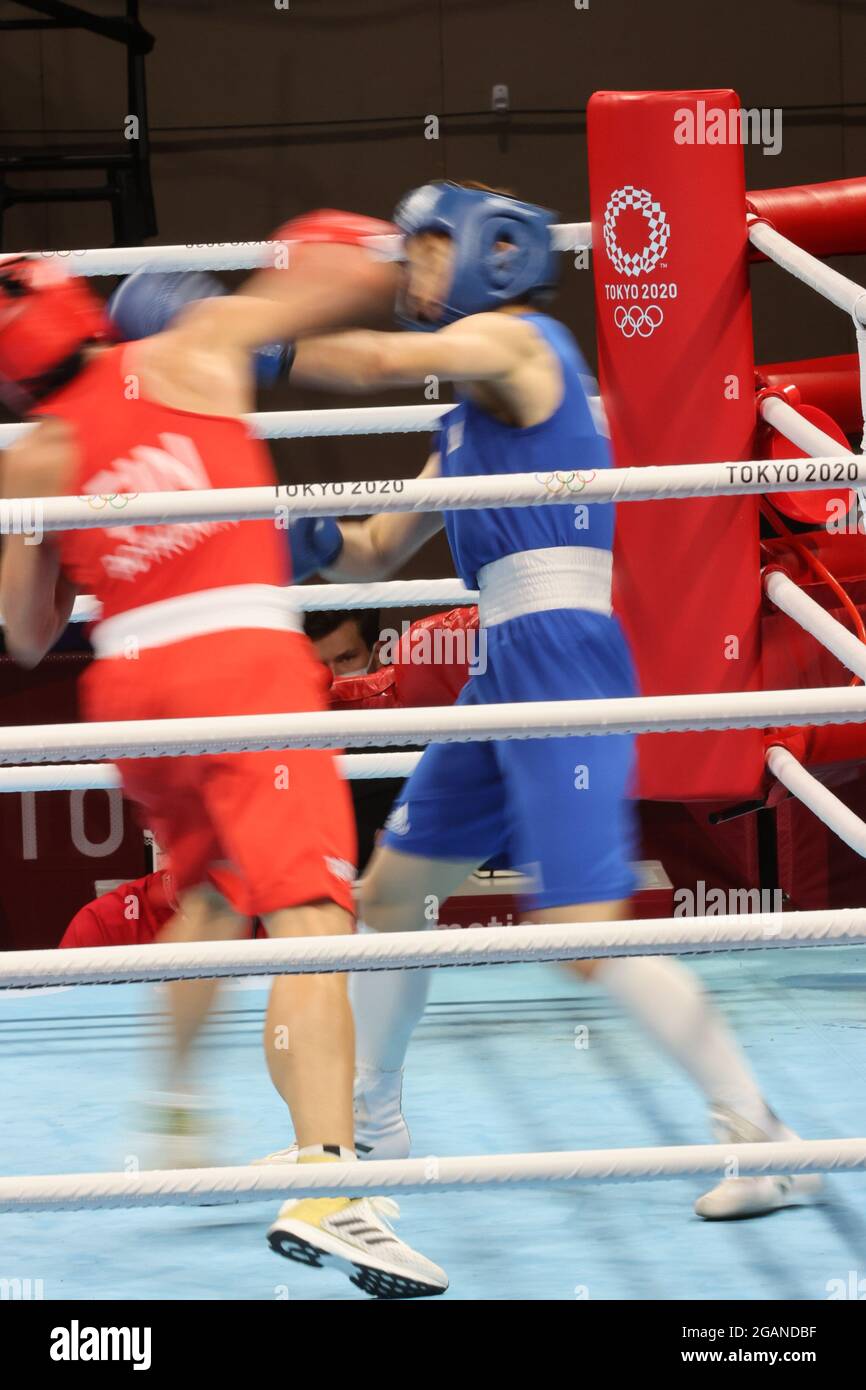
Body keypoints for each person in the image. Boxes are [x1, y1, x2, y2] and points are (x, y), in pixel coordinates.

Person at [254, 181, 821, 1220]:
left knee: (584, 930)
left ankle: (765, 1140)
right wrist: (316, 539)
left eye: (426, 247)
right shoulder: (463, 422)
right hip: (497, 668)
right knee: (389, 896)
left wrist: (258, 342)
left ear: (491, 252)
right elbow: (378, 555)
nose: (410, 269)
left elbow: (376, 359)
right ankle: (374, 1118)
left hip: (561, 657)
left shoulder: (526, 348)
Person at [0, 229, 448, 1298]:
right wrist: (411, 259)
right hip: (237, 666)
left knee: (202, 886)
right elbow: (332, 273)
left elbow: (21, 635)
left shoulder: (31, 454)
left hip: (131, 693)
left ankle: (174, 1107)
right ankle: (331, 1186)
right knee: (309, 919)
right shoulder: (197, 343)